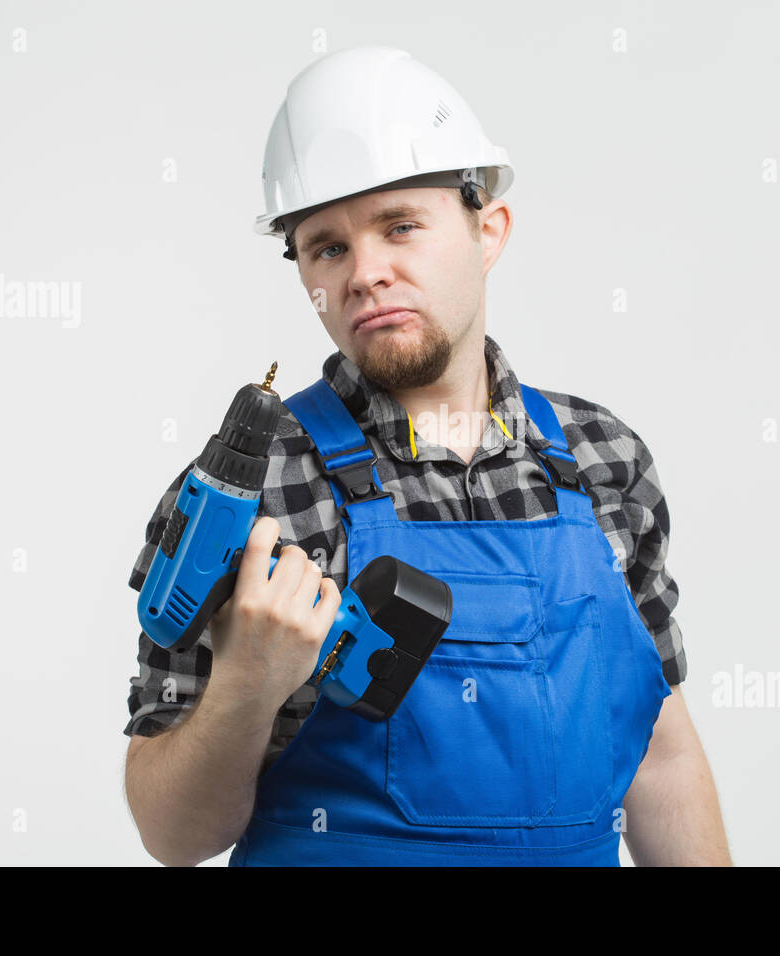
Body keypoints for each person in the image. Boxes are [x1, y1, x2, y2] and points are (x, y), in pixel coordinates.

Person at [122, 45, 730, 866]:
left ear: (489, 230)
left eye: (400, 225)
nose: (366, 273)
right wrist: (248, 683)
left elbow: (660, 755)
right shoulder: (254, 494)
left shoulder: (603, 459)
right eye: (326, 248)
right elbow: (172, 833)